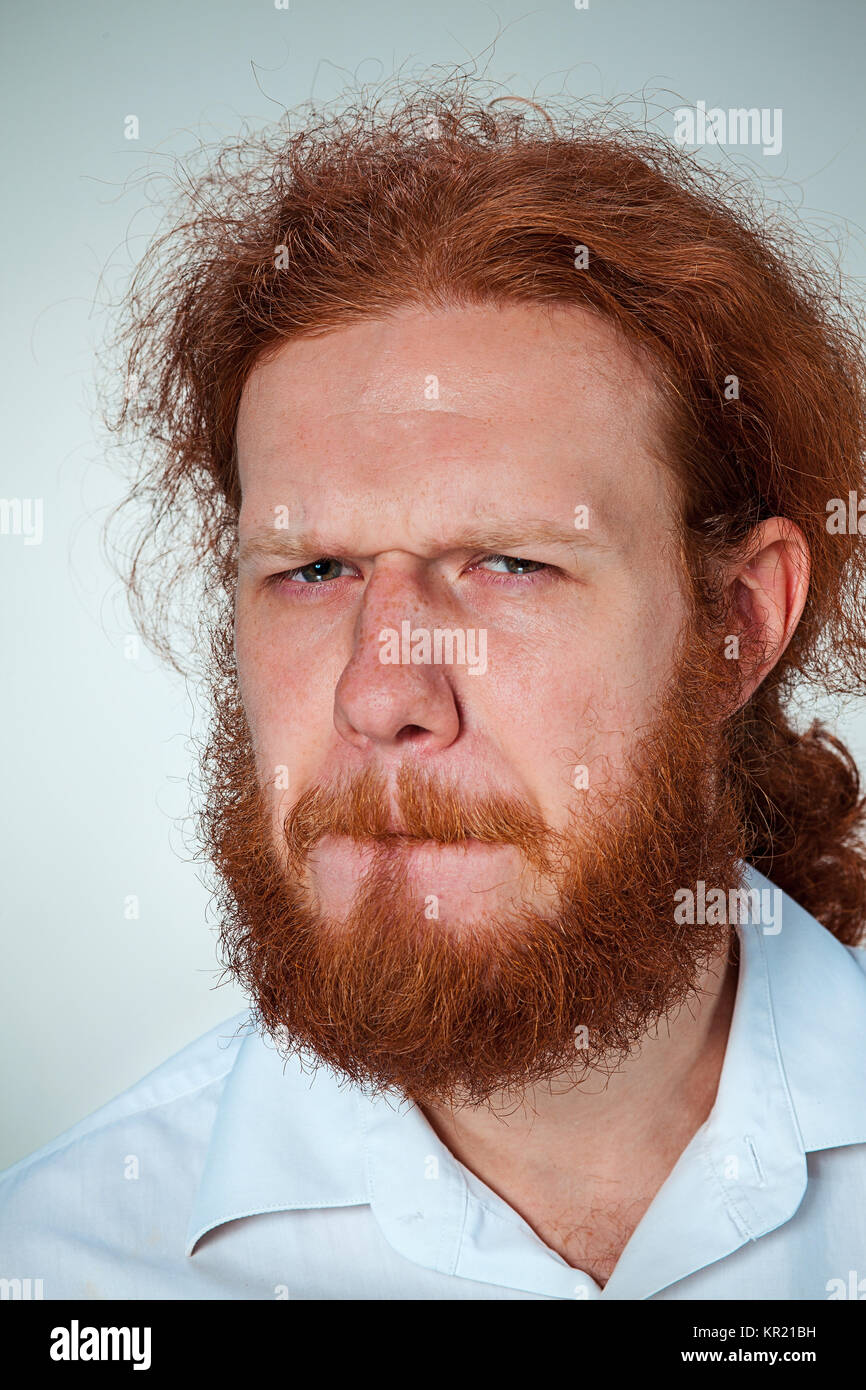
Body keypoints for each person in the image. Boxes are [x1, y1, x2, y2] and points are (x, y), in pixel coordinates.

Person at [3, 81, 866, 1301]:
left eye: (509, 562)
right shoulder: (59, 1270)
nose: (381, 693)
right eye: (312, 569)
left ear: (736, 623)